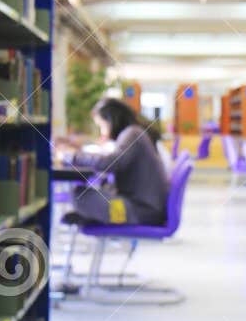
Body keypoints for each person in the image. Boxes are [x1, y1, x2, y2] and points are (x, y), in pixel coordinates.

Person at [65, 97, 170, 227]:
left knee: (80, 195)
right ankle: (97, 215)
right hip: (145, 209)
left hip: (141, 213)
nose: (102, 131)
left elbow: (111, 163)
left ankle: (101, 216)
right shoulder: (133, 132)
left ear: (111, 120)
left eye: (102, 125)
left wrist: (73, 157)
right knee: (90, 193)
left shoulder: (132, 133)